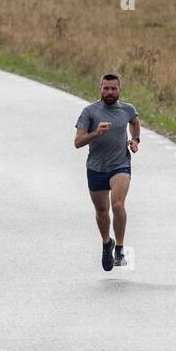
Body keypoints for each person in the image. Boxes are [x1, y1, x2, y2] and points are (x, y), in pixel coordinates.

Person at [74, 73, 140, 271]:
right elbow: (77, 142)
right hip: (95, 167)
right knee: (102, 211)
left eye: (114, 89)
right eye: (106, 88)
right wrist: (96, 133)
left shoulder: (128, 109)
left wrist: (135, 140)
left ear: (120, 90)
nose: (110, 92)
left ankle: (119, 248)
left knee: (118, 204)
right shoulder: (89, 112)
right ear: (100, 89)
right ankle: (106, 243)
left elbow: (135, 122)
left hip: (120, 164)